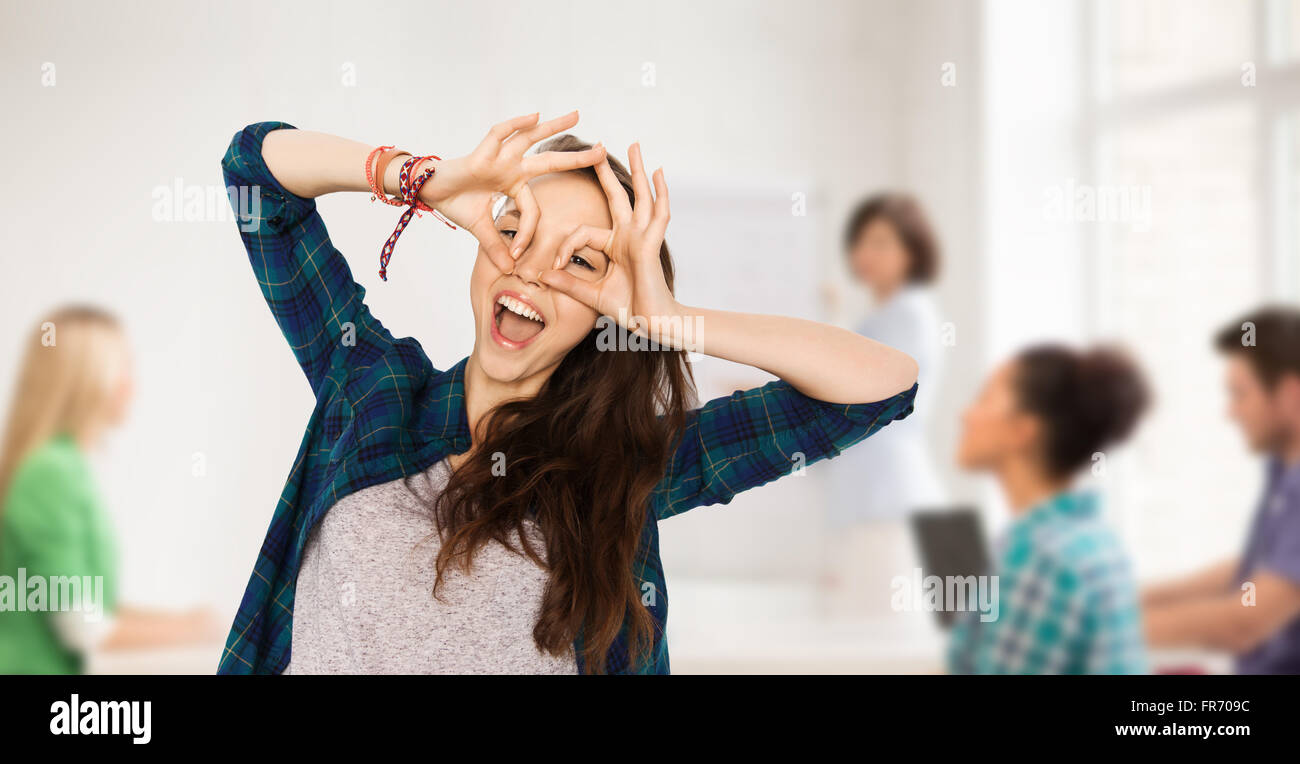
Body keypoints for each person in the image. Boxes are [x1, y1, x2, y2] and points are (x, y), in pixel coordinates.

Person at [217, 112, 920, 674]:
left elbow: (878, 386)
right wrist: (424, 180)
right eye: (516, 231)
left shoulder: (622, 466)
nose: (532, 271)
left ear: (603, 314)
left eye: (581, 262)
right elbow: (254, 171)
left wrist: (671, 320)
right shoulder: (370, 391)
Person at [0, 306, 216, 674]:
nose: (132, 385)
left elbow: (90, 604)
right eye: (124, 367)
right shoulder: (51, 472)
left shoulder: (64, 465)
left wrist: (186, 620)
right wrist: (193, 629)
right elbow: (83, 627)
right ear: (87, 379)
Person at [948, 344, 1150, 673]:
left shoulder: (1040, 560)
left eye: (985, 399)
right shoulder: (1092, 540)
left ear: (1022, 431)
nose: (965, 414)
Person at [1143, 307, 1300, 674]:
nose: (1231, 412)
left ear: (1291, 394)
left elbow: (1244, 622)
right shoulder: (1282, 474)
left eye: (1240, 394)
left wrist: (1102, 630)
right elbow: (1258, 572)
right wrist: (1130, 599)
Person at [825, 192, 945, 525]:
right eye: (859, 242)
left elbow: (847, 383)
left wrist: (832, 322)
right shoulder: (885, 314)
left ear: (911, 252)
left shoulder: (909, 313)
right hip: (880, 495)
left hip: (890, 498)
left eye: (880, 243)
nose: (864, 253)